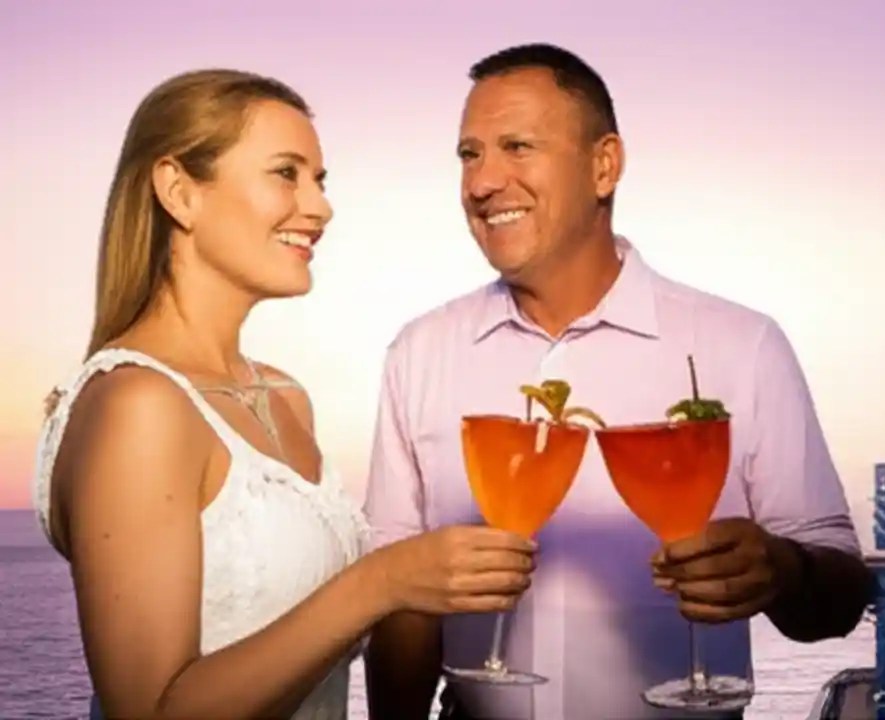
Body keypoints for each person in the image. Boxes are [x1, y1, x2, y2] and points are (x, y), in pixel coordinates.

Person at [362, 43, 878, 719]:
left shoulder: (743, 346)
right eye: (469, 154)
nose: (482, 181)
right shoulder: (418, 353)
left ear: (605, 165)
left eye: (516, 146)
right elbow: (400, 606)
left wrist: (783, 569)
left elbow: (838, 600)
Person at [31, 69, 537, 720]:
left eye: (320, 180)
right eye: (286, 173)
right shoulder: (139, 406)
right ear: (179, 192)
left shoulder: (284, 398)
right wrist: (381, 583)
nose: (320, 207)